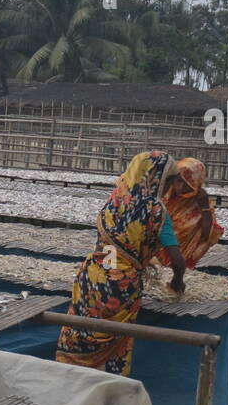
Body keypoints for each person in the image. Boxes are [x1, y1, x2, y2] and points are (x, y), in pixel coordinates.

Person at [55, 150, 186, 376]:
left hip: (93, 276)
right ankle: (110, 388)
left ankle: (69, 381)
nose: (171, 186)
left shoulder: (114, 201)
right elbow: (177, 260)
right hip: (120, 286)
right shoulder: (155, 211)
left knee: (80, 335)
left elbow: (114, 247)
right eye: (171, 180)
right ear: (157, 178)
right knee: (115, 343)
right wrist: (177, 281)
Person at [155, 157, 224, 270]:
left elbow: (206, 236)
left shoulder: (201, 200)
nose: (180, 187)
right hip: (154, 252)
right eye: (178, 181)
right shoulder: (165, 193)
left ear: (195, 182)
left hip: (181, 256)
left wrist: (204, 208)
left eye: (186, 183)